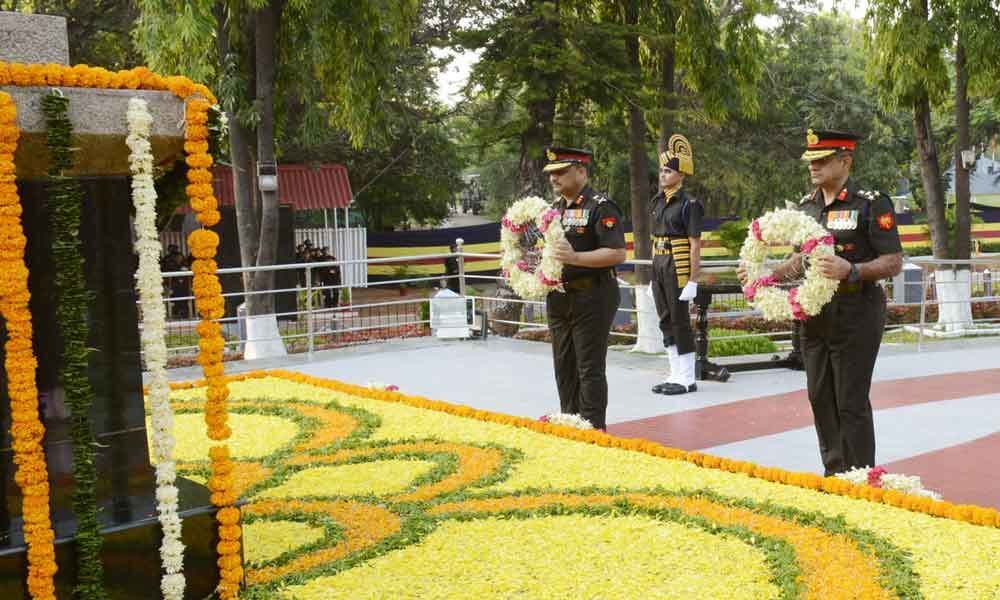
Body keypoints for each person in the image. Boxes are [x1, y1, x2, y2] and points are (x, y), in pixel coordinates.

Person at [739, 129, 903, 476]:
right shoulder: (807, 206)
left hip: (857, 309)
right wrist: (766, 276)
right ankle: (834, 472)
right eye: (811, 160)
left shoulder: (870, 203)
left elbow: (893, 262)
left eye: (822, 160)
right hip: (815, 313)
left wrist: (852, 269)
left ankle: (859, 476)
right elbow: (801, 258)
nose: (813, 166)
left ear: (846, 161)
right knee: (819, 396)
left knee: (850, 401)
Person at [543, 147, 627, 431]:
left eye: (560, 172)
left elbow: (617, 253)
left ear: (581, 170)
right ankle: (570, 423)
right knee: (563, 365)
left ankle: (592, 430)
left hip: (593, 295)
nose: (554, 178)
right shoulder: (554, 210)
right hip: (559, 296)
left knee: (588, 368)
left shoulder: (600, 206)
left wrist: (575, 258)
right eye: (551, 173)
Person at [649, 134, 703, 395]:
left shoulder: (688, 204)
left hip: (677, 264)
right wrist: (651, 276)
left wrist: (693, 280)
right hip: (659, 264)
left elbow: (694, 244)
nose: (663, 175)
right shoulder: (657, 201)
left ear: (681, 175)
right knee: (665, 320)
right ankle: (674, 373)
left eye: (668, 171)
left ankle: (687, 378)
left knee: (680, 321)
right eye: (661, 170)